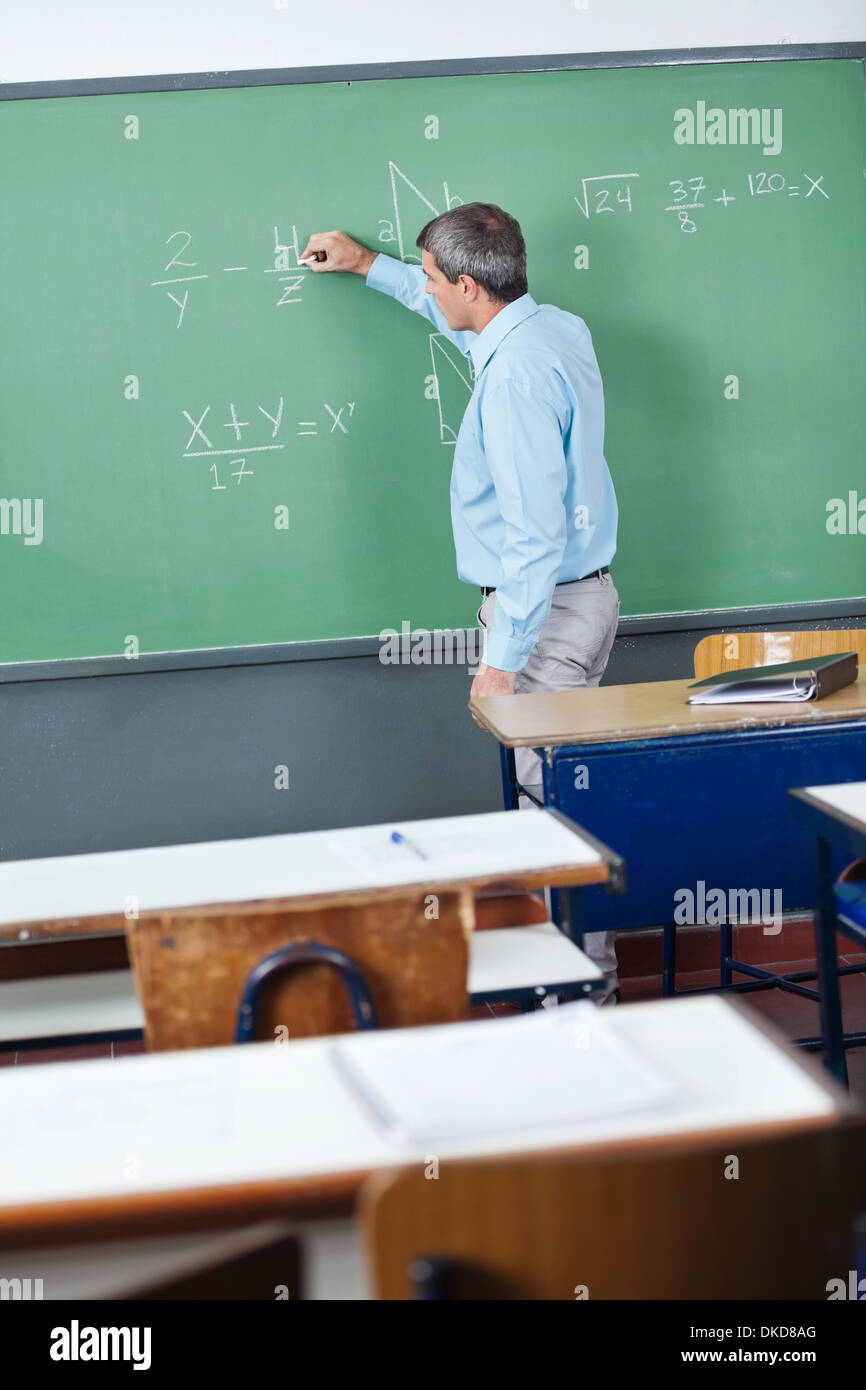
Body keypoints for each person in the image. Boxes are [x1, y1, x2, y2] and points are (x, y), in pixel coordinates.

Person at [301, 204, 621, 1001]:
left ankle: (583, 997)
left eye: (438, 281)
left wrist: (500, 662)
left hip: (541, 617)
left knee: (554, 820)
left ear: (472, 284)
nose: (434, 294)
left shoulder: (513, 378)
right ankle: (579, 989)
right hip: (583, 599)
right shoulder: (550, 329)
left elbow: (536, 534)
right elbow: (455, 314)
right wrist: (367, 265)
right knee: (557, 803)